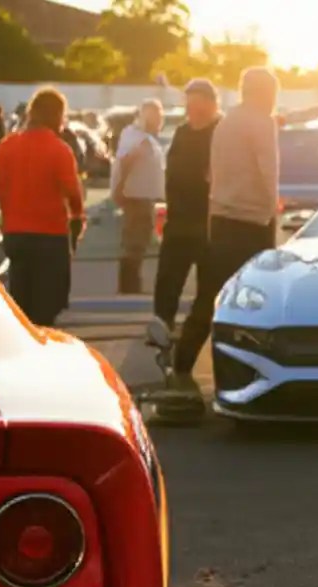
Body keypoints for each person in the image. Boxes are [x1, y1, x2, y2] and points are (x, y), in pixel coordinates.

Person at [169, 67, 280, 397]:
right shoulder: (262, 122)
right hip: (252, 221)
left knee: (210, 295)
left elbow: (212, 172)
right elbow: (267, 172)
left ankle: (183, 362)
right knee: (256, 301)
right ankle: (250, 373)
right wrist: (271, 210)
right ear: (266, 93)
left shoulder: (226, 123)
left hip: (219, 218)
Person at [0, 87, 86, 327]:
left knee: (21, 302)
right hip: (49, 236)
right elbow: (73, 193)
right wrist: (77, 219)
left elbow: (1, 189)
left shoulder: (7, 146)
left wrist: (8, 221)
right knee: (48, 306)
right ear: (57, 116)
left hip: (16, 235)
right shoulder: (59, 150)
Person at [149, 79, 222, 337]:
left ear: (212, 104)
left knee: (208, 287)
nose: (193, 110)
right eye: (189, 104)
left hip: (208, 223)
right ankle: (162, 328)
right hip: (179, 221)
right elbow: (172, 173)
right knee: (168, 280)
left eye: (198, 104)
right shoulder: (182, 133)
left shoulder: (221, 132)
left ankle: (197, 334)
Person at [111, 99, 166, 294]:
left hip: (140, 197)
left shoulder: (136, 135)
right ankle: (129, 288)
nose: (161, 119)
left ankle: (129, 286)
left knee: (135, 244)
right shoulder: (140, 138)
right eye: (157, 115)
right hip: (138, 198)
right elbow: (128, 161)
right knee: (135, 244)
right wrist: (120, 187)